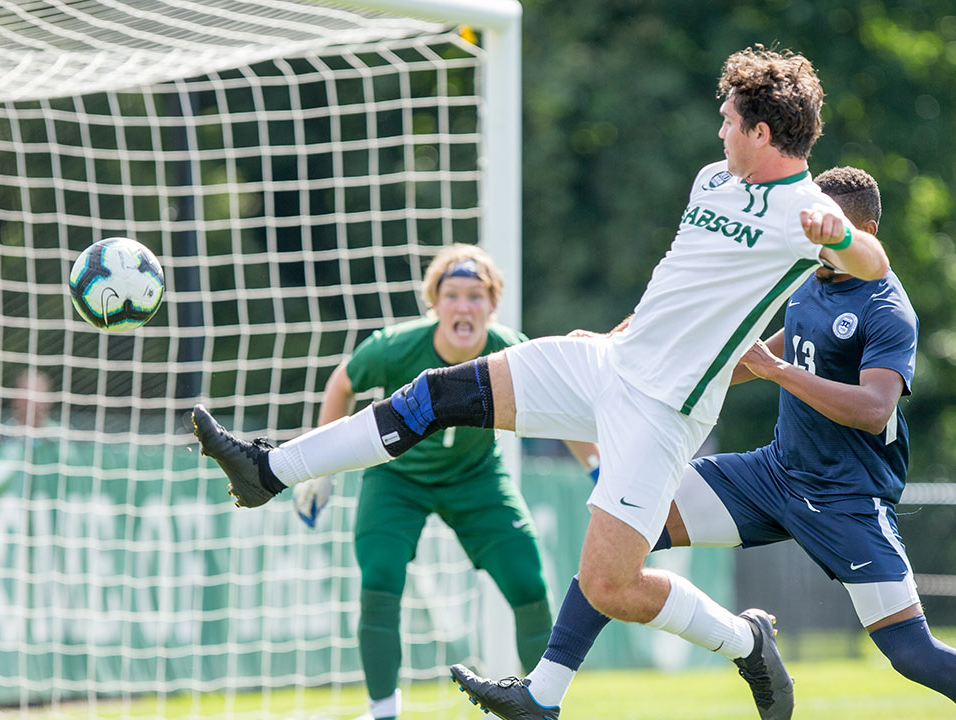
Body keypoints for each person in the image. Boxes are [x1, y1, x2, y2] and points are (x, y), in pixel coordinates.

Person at [192, 46, 889, 720]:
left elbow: (873, 263)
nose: (721, 129)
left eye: (731, 120)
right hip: (606, 365)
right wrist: (614, 336)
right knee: (437, 393)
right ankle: (269, 471)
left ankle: (743, 642)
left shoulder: (803, 213)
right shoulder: (714, 178)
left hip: (661, 413)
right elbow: (678, 290)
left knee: (610, 585)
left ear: (761, 131)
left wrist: (838, 235)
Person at [456, 167, 956, 720]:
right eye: (814, 221)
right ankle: (543, 696)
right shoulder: (809, 282)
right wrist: (615, 360)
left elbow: (873, 409)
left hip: (846, 500)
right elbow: (740, 354)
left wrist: (775, 370)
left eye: (831, 227)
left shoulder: (887, 307)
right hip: (774, 474)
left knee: (912, 654)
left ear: (867, 233)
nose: (818, 234)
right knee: (619, 535)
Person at [286, 244, 597, 720]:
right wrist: (320, 470)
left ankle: (539, 707)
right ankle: (383, 711)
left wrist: (598, 470)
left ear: (493, 305)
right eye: (452, 295)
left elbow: (558, 412)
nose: (464, 306)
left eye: (476, 295)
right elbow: (342, 384)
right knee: (380, 577)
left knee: (528, 583)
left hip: (477, 478)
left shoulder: (513, 351)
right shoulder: (394, 347)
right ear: (434, 304)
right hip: (397, 479)